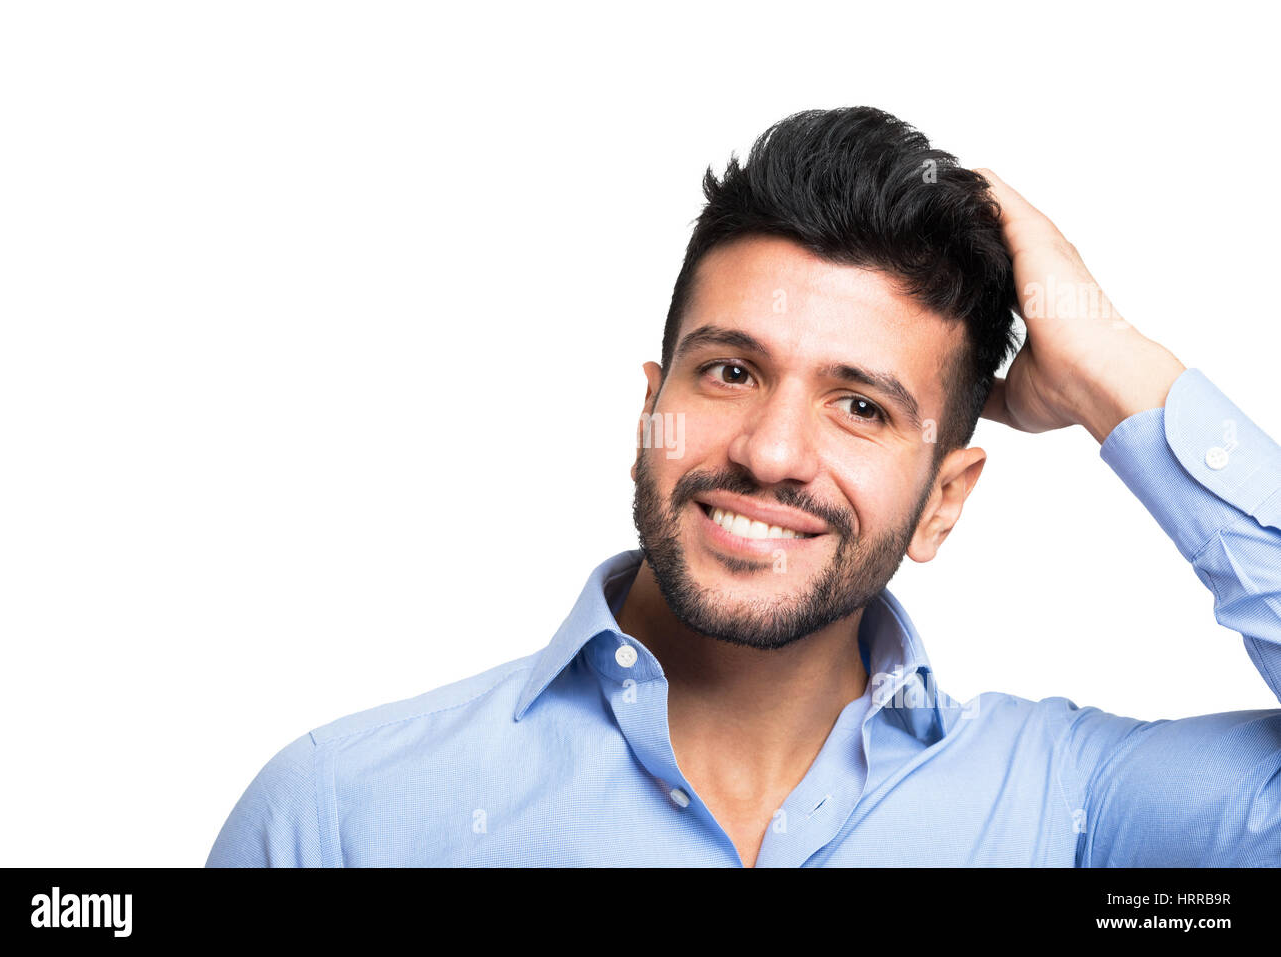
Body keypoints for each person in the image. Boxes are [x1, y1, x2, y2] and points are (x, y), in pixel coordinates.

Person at [206, 107, 1281, 867]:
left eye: (860, 405)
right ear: (650, 408)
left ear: (943, 500)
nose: (770, 452)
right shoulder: (343, 816)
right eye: (730, 371)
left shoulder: (1076, 816)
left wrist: (1115, 374)